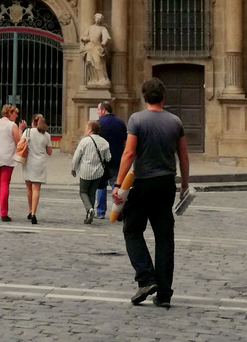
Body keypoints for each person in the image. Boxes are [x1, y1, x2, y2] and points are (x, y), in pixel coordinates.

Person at [112, 77, 189, 310]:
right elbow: (183, 156)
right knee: (165, 238)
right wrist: (184, 184)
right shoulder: (176, 121)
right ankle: (164, 293)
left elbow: (128, 153)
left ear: (145, 97)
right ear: (163, 97)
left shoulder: (137, 119)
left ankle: (146, 279)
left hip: (144, 182)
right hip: (167, 184)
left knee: (132, 229)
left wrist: (117, 184)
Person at [70, 119, 111, 225]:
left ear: (90, 129)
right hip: (98, 172)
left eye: (86, 128)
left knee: (83, 192)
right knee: (92, 193)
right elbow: (108, 158)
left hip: (85, 171)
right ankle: (90, 213)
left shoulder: (84, 141)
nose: (85, 129)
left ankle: (89, 210)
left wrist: (73, 168)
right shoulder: (105, 142)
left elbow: (76, 156)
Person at [95, 100, 127, 219]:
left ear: (103, 110)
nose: (98, 112)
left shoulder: (98, 124)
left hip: (102, 160)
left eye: (98, 109)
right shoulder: (120, 123)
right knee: (116, 185)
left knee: (101, 185)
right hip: (117, 158)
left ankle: (101, 212)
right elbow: (125, 139)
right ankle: (118, 210)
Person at [22, 113, 52, 225]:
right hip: (40, 163)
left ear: (33, 122)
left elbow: (21, 144)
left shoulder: (28, 132)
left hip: (28, 162)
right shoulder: (47, 135)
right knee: (36, 189)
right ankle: (34, 212)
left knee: (29, 187)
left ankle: (30, 210)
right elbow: (49, 152)